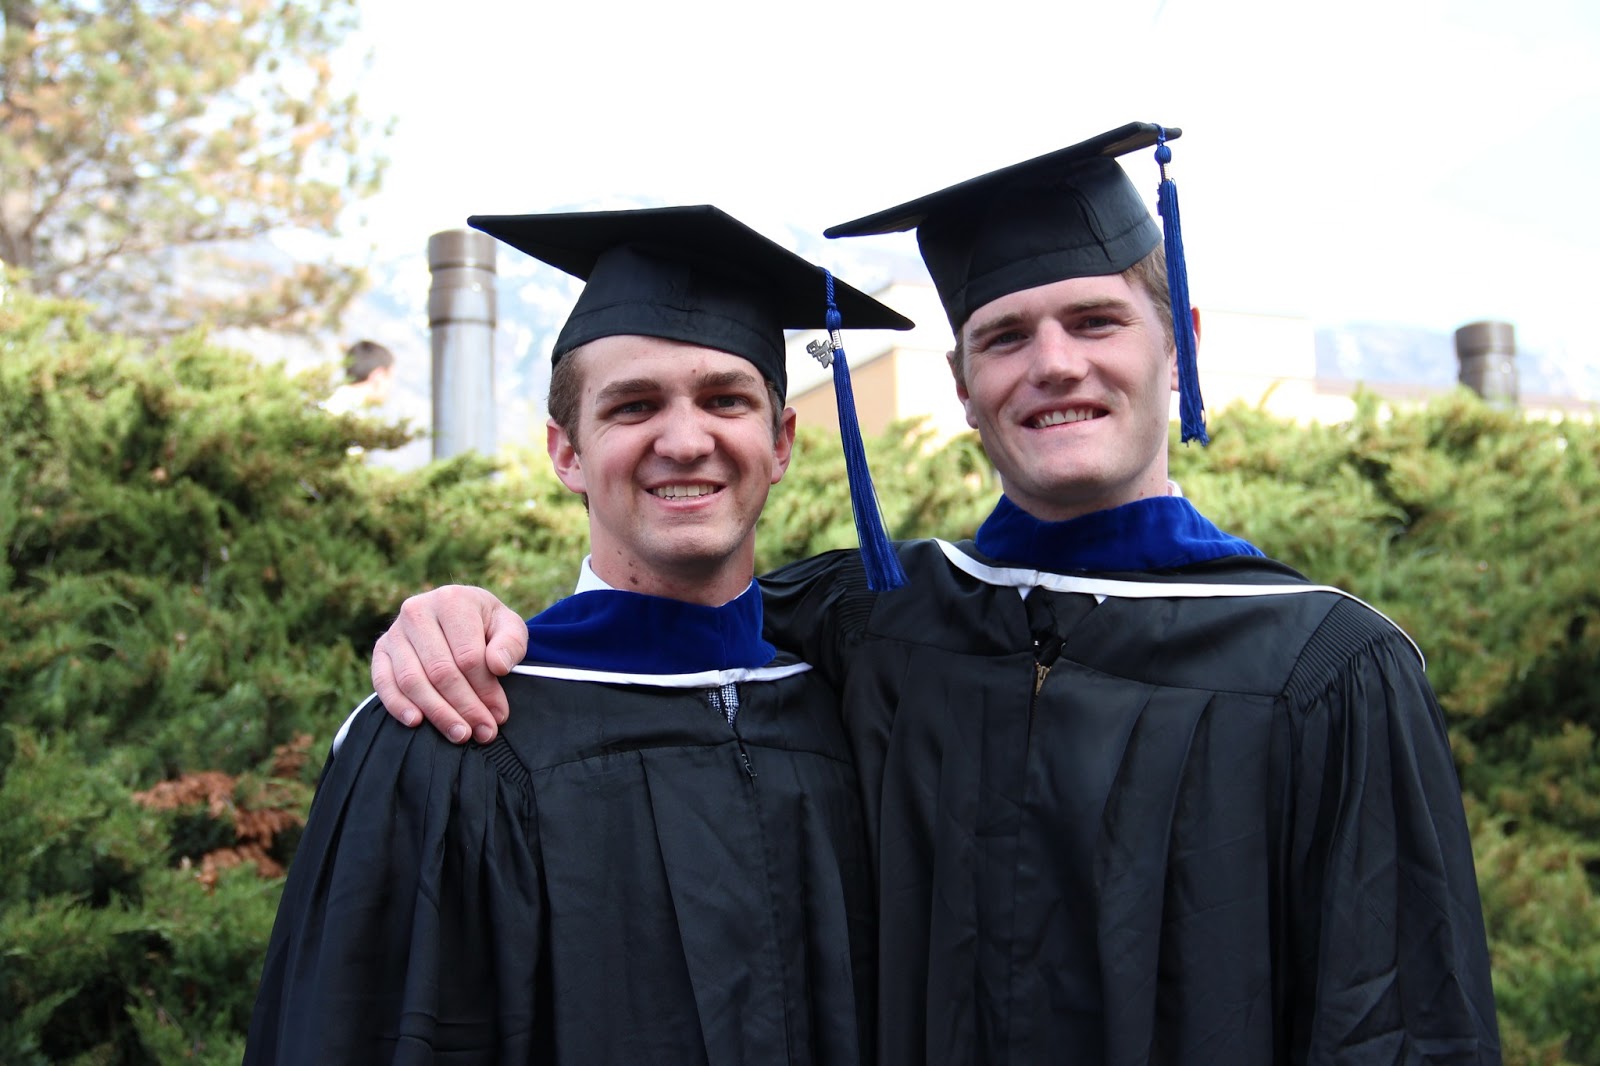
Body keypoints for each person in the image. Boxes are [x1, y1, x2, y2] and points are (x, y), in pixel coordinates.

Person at [368, 125, 1501, 1064]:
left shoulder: (1326, 668)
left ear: (1179, 344)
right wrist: (456, 619)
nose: (1053, 364)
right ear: (962, 385)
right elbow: (654, 630)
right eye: (1004, 335)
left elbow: (1396, 1025)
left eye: (1096, 320)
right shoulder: (879, 626)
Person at [245, 205, 913, 1064]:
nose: (685, 439)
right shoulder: (451, 736)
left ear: (780, 441)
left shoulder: (852, 705)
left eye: (725, 399)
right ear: (565, 454)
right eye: (634, 406)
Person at [325, 338, 397, 414]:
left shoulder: (336, 398)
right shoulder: (347, 410)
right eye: (390, 378)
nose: (392, 386)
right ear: (378, 376)